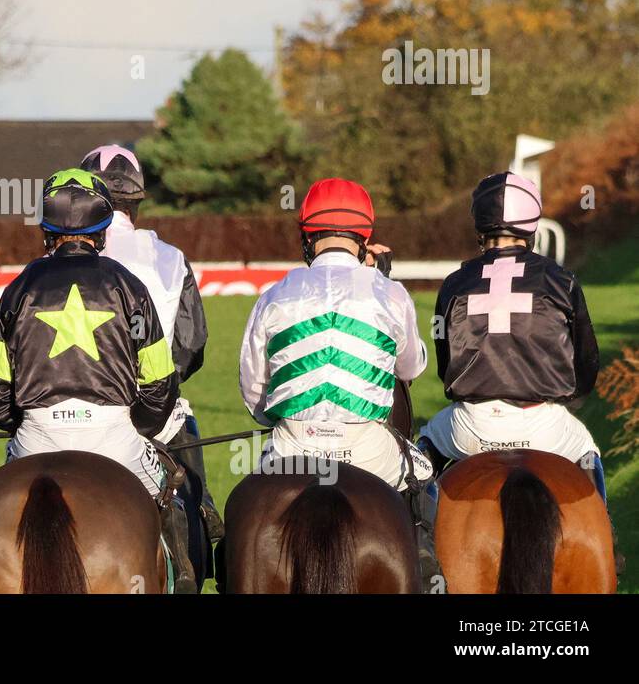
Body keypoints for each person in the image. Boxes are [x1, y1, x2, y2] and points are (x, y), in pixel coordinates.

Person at [0, 168, 196, 592]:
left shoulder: (17, 289)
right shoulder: (129, 286)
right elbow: (160, 384)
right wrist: (141, 428)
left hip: (35, 440)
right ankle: (182, 576)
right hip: (115, 438)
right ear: (102, 231)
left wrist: (22, 422)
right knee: (171, 490)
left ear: (47, 231)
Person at [238, 178, 439, 589]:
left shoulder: (274, 295)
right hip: (370, 450)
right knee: (424, 478)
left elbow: (253, 389)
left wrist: (280, 416)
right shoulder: (390, 292)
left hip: (291, 446)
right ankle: (425, 561)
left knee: (244, 505)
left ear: (307, 237)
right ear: (364, 238)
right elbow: (412, 368)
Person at [79, 144, 222, 578]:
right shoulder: (171, 257)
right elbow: (192, 345)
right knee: (186, 452)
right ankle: (198, 541)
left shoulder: (55, 259)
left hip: (70, 410)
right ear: (136, 203)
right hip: (152, 415)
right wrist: (161, 381)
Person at [418, 172, 605, 496]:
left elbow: (444, 366)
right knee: (589, 451)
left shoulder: (453, 283)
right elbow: (586, 364)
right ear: (531, 224)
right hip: (544, 427)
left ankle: (418, 537)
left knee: (424, 447)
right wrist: (566, 398)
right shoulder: (562, 280)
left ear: (480, 225)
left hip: (471, 427)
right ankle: (608, 538)